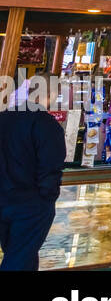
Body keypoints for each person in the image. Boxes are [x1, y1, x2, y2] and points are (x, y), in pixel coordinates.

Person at [0, 81, 68, 271]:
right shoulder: (48, 126)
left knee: (20, 254)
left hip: (4, 199)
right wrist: (46, 199)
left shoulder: (3, 117)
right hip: (30, 205)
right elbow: (51, 168)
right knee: (18, 258)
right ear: (52, 95)